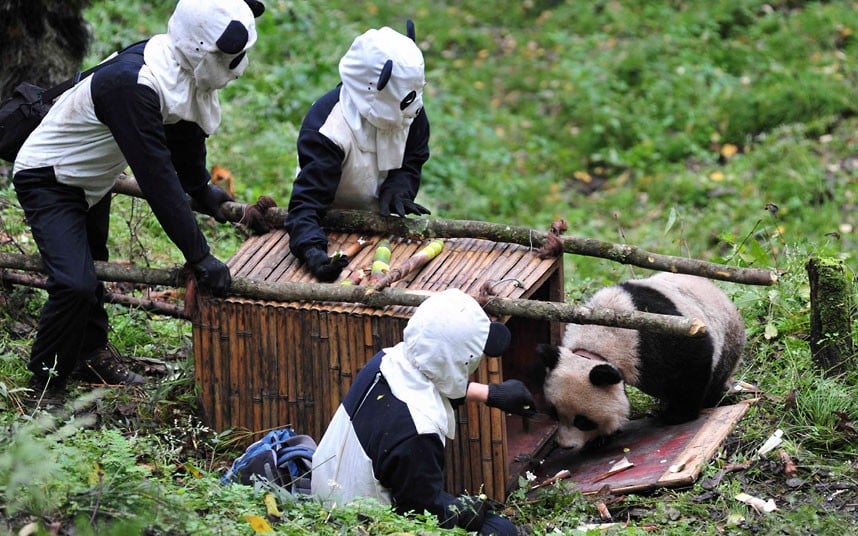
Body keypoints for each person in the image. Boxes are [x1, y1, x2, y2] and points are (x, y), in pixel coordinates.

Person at [12, 0, 265, 391]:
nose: (240, 67)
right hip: (50, 178)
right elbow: (158, 179)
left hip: (92, 177)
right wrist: (199, 255)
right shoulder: (134, 85)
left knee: (92, 265)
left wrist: (201, 189)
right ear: (201, 47)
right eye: (234, 57)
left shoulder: (176, 66)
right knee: (75, 284)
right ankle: (45, 384)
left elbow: (185, 130)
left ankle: (89, 354)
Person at [311, 288, 531, 536]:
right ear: (461, 359)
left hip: (329, 494)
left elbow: (430, 381)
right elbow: (422, 513)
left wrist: (490, 393)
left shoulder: (384, 362)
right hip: (361, 525)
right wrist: (471, 510)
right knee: (502, 531)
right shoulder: (419, 432)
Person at [283, 23, 431, 282]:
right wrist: (313, 251)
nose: (415, 108)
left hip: (385, 229)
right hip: (332, 223)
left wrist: (400, 187)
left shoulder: (408, 107)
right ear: (375, 87)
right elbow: (306, 205)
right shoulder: (328, 130)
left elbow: (414, 156)